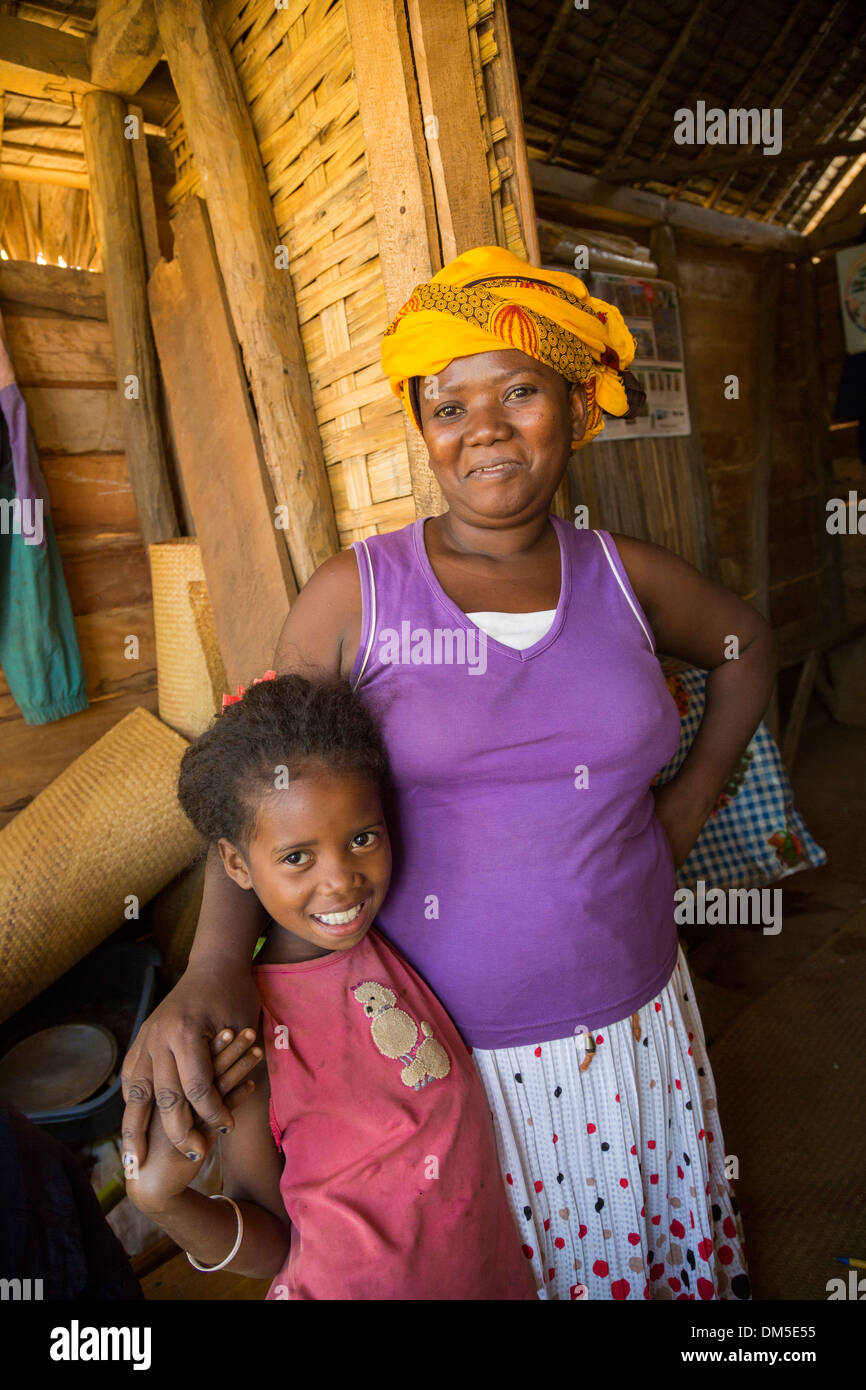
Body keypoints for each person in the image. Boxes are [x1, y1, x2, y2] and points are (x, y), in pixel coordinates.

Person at [122, 246, 775, 1300]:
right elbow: (261, 777)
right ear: (422, 428)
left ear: (572, 404)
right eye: (447, 402)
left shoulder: (622, 575)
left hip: (629, 1023)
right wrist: (210, 967)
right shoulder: (357, 597)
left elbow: (744, 648)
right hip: (441, 1059)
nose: (483, 427)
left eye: (519, 390)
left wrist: (682, 810)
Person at [124, 672, 536, 1301]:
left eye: (361, 839)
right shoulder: (248, 1035)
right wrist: (159, 1200)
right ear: (237, 864)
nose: (341, 881)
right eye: (296, 857)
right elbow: (273, 1243)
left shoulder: (402, 945)